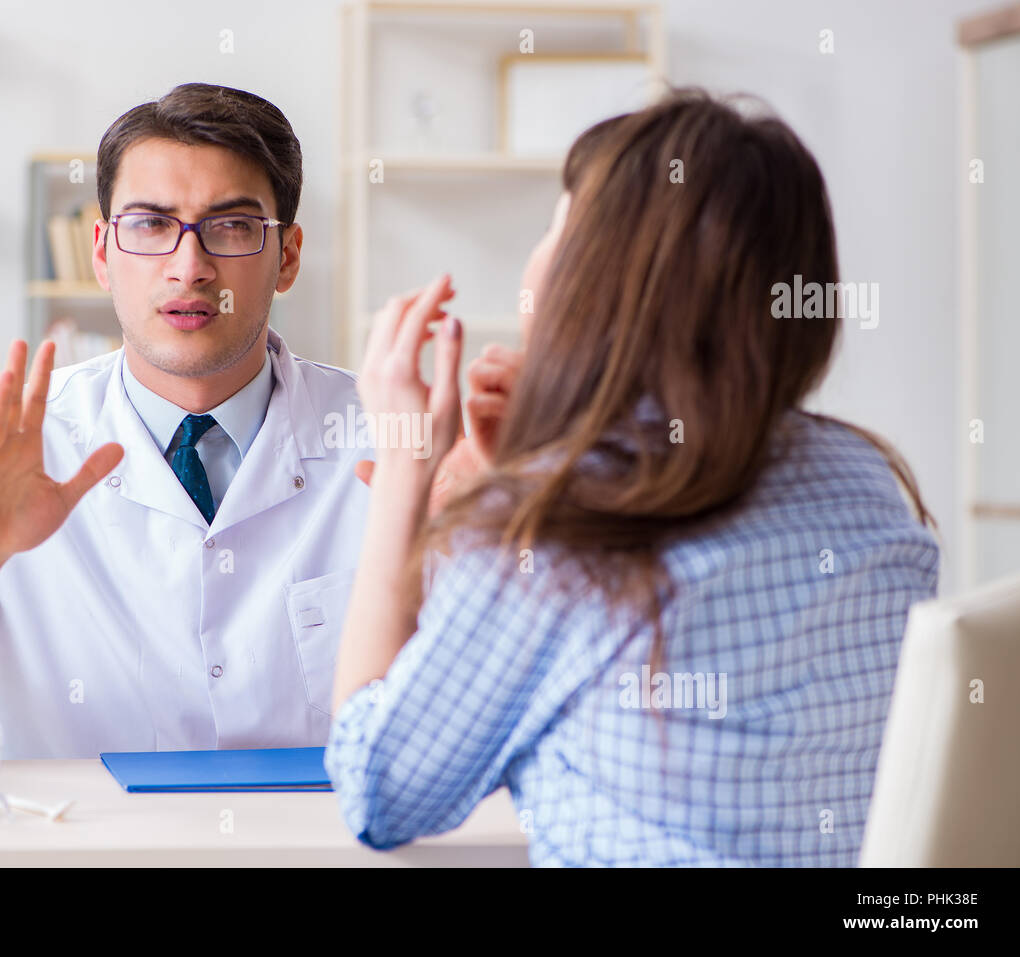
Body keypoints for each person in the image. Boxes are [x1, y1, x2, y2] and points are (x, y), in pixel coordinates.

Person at [324, 89, 941, 866]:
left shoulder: (561, 519)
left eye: (556, 230)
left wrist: (410, 469)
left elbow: (379, 791)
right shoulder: (866, 481)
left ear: (595, 278)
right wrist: (532, 464)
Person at [0, 83, 377, 758]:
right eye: (150, 225)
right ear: (101, 253)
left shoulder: (393, 445)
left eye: (231, 226)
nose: (189, 267)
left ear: (286, 255)